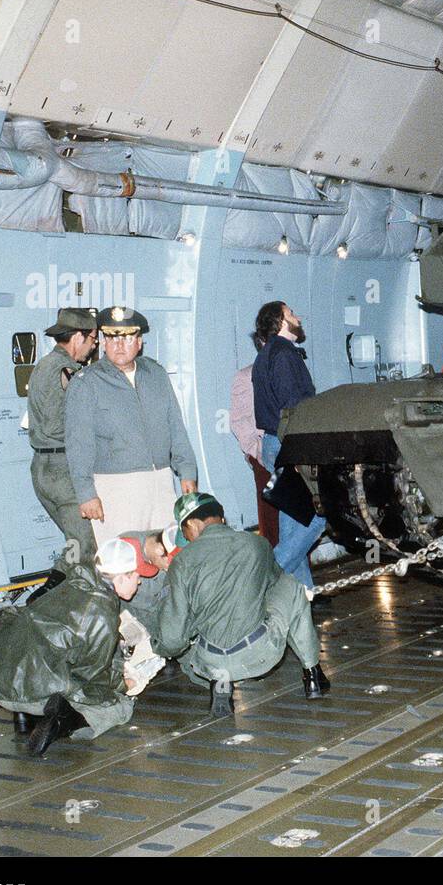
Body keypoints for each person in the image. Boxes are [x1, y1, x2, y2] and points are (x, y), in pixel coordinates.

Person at [152, 493, 329, 717]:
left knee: (190, 622)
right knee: (291, 585)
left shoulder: (182, 562)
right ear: (221, 519)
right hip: (259, 655)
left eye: (185, 533)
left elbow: (172, 638)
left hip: (210, 662)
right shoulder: (256, 543)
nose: (186, 539)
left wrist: (159, 648)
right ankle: (313, 676)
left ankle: (220, 682)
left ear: (192, 525)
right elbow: (273, 585)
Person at [0, 538, 140, 756]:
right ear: (121, 577)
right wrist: (124, 686)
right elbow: (93, 678)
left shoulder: (73, 583)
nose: (139, 582)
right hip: (28, 691)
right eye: (136, 576)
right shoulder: (100, 612)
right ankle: (63, 723)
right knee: (120, 708)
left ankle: (28, 717)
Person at [65, 306, 198, 546]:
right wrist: (86, 494)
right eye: (112, 338)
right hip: (115, 488)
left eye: (126, 337)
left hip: (161, 482)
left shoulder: (156, 375)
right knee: (124, 560)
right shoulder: (87, 383)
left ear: (139, 341)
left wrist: (187, 471)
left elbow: (175, 427)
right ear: (104, 342)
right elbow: (78, 445)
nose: (119, 345)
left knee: (169, 553)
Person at [252, 301, 328, 587]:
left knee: (292, 526)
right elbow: (292, 407)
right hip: (289, 444)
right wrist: (301, 450)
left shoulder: (267, 354)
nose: (297, 317)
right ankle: (266, 580)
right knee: (316, 518)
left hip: (276, 442)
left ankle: (300, 598)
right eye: (292, 314)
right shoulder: (284, 354)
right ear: (281, 321)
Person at [27, 307, 99, 567]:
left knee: (75, 545)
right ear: (78, 337)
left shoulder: (43, 365)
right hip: (63, 472)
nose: (93, 348)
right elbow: (55, 426)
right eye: (92, 340)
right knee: (84, 552)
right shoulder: (67, 371)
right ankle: (61, 601)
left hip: (42, 470)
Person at [230, 361, 278, 546]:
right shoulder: (246, 376)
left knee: (297, 522)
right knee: (272, 524)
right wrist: (256, 451)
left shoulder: (289, 371)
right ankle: (275, 568)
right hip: (264, 458)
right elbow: (239, 420)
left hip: (290, 454)